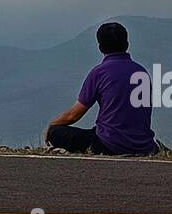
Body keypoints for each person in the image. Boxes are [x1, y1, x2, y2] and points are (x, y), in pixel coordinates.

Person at [45, 22, 158, 155]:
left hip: (108, 144)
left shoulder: (99, 73)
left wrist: (51, 126)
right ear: (126, 45)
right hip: (144, 145)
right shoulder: (142, 72)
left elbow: (73, 116)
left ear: (100, 47)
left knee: (56, 132)